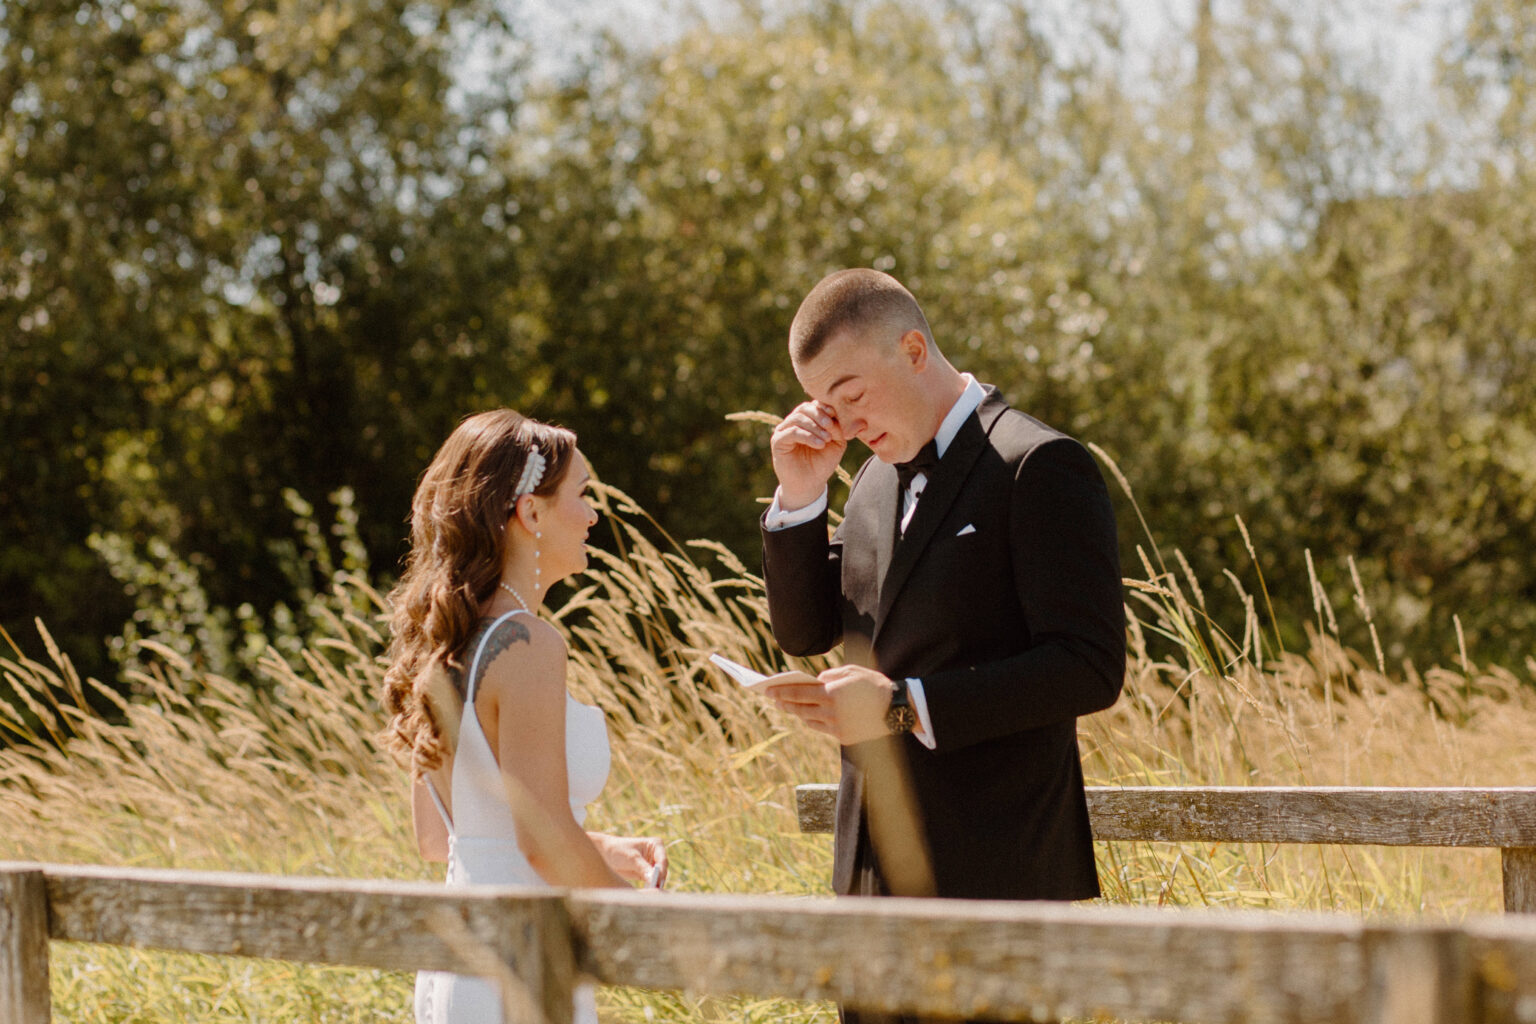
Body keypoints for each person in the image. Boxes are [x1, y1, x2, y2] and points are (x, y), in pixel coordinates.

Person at [761, 269, 1125, 1022]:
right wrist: (801, 496)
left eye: (852, 392)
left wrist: (901, 709)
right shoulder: (866, 486)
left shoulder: (1039, 465)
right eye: (825, 404)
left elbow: (1088, 667)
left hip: (998, 881)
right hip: (869, 881)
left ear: (915, 348)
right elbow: (805, 633)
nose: (845, 423)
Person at [382, 409, 668, 1024]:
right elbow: (540, 844)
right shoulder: (529, 644)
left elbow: (444, 839)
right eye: (582, 494)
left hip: (459, 961)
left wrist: (598, 847)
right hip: (522, 965)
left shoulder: (441, 646)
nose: (594, 515)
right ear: (530, 514)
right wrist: (649, 919)